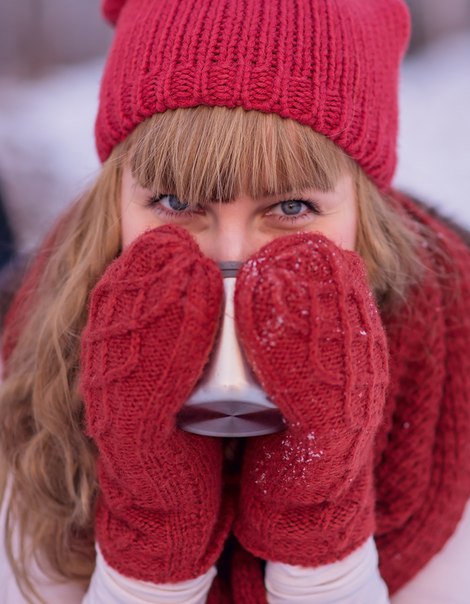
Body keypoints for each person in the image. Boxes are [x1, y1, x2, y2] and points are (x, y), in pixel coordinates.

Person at [1, 0, 469, 602]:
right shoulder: (34, 360)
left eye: (291, 207)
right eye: (175, 202)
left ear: (363, 215)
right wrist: (154, 533)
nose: (231, 254)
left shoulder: (449, 370)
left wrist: (319, 526)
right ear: (115, 203)